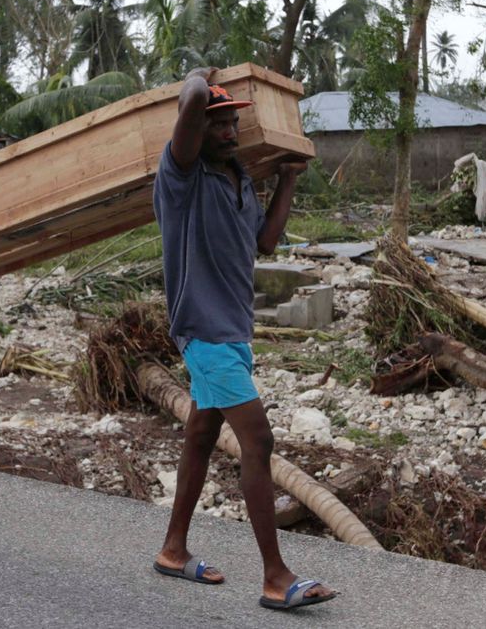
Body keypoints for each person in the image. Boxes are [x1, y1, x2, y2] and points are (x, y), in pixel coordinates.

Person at [151, 68, 336, 611]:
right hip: (202, 333)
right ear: (198, 131)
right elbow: (188, 104)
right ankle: (276, 577)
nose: (230, 132)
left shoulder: (237, 181)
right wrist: (197, 80)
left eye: (234, 124)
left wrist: (287, 179)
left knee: (201, 437)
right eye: (219, 124)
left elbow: (267, 242)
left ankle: (172, 548)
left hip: (234, 333)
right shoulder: (181, 176)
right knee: (258, 442)